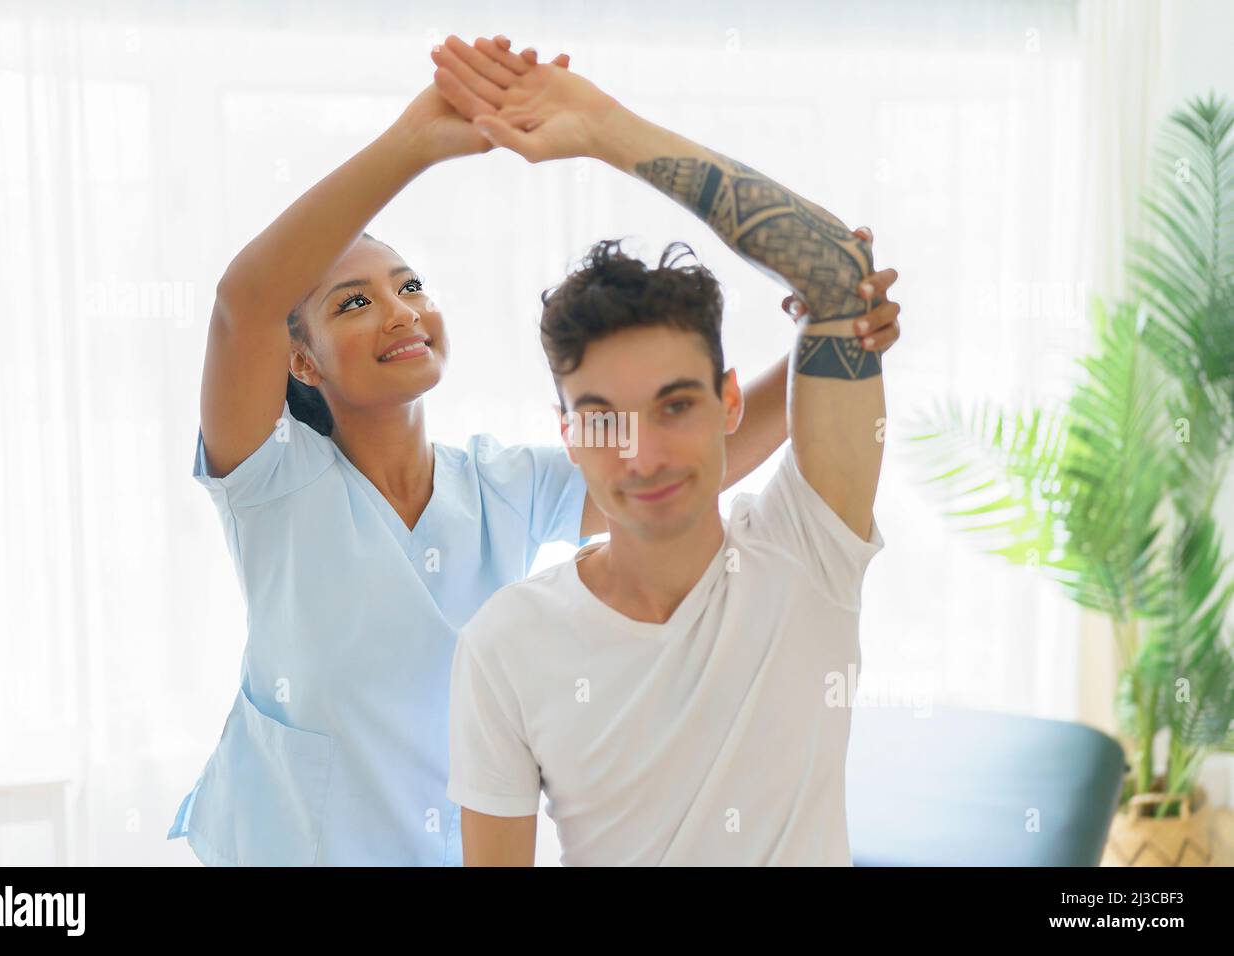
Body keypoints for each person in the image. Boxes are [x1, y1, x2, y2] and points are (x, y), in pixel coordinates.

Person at [168, 36, 897, 866]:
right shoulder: (272, 485)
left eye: (409, 286)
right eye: (354, 303)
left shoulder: (495, 485)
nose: (400, 312)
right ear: (302, 360)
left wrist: (834, 338)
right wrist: (415, 144)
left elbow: (680, 449)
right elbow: (243, 304)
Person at [436, 40, 898, 865]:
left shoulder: (807, 547)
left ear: (729, 402)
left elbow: (836, 272)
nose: (642, 455)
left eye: (674, 405)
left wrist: (603, 129)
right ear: (570, 433)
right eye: (604, 418)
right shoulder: (505, 644)